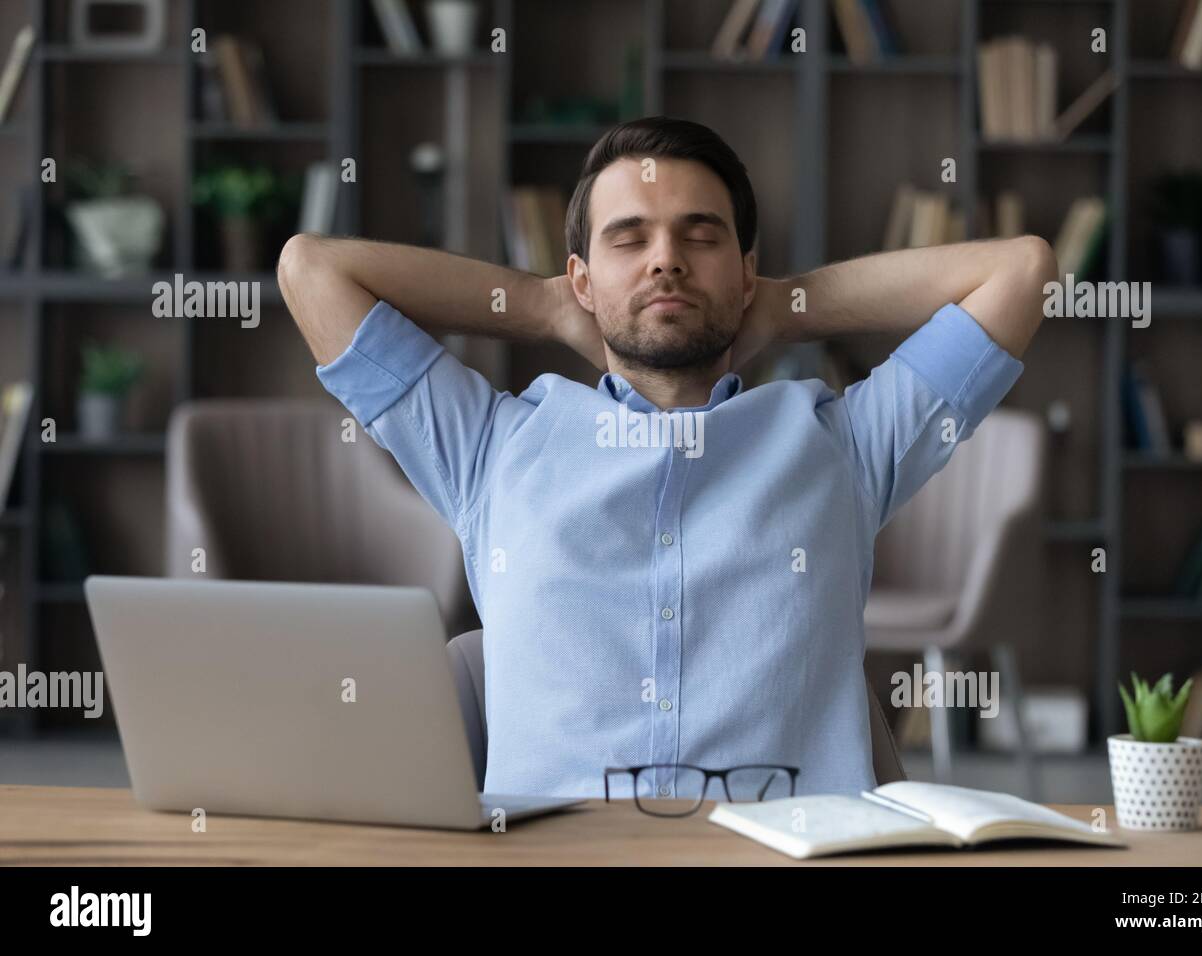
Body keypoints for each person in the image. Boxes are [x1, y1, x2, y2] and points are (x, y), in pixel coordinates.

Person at [278, 115, 1055, 799]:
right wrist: (547, 306)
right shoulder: (490, 449)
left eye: (700, 234)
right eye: (629, 237)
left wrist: (787, 307)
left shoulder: (843, 447)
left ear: (746, 270)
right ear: (581, 276)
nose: (666, 260)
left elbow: (1021, 272)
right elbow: (312, 271)